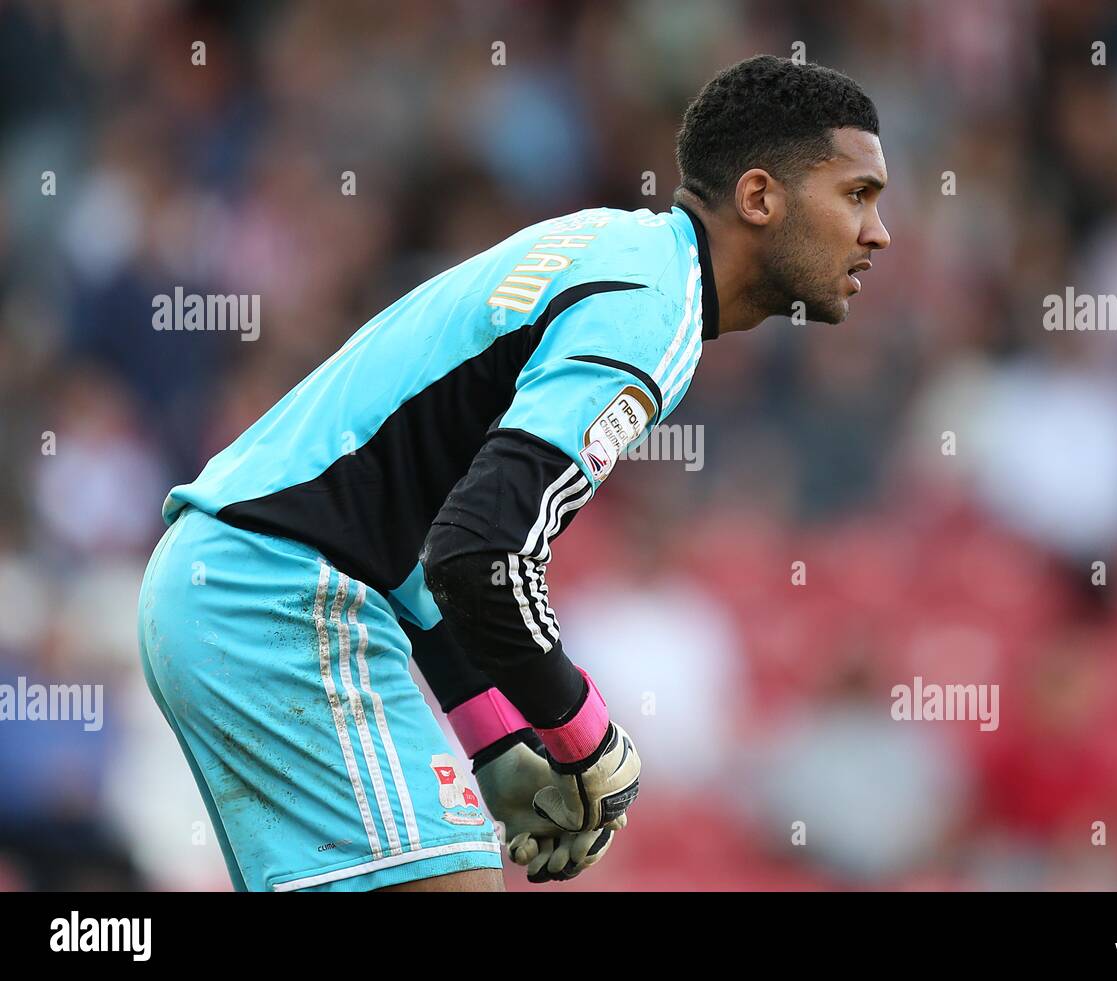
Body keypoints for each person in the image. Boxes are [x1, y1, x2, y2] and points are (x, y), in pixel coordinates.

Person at [136, 53, 890, 892]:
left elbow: (420, 534)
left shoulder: (618, 251)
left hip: (225, 581)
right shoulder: (653, 313)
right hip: (279, 588)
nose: (877, 231)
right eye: (857, 194)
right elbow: (483, 554)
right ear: (759, 197)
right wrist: (593, 740)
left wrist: (496, 739)